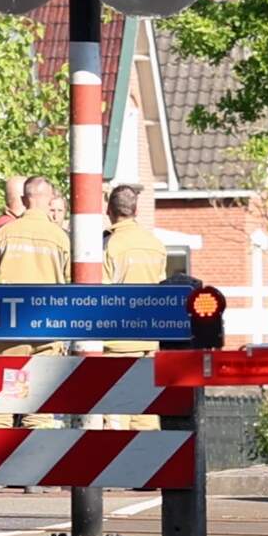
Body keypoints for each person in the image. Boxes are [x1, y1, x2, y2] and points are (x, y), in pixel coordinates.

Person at [0, 176, 69, 481]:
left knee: (1, 403)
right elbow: (72, 287)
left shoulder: (3, 234)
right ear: (48, 198)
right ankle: (34, 475)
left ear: (25, 199)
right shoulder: (61, 238)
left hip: (7, 331)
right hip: (47, 333)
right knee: (38, 405)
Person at [101, 185, 167, 431]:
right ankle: (149, 466)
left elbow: (99, 296)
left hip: (117, 343)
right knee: (146, 415)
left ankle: (112, 469)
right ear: (136, 210)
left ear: (109, 210)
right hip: (149, 342)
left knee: (116, 416)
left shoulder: (108, 246)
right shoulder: (156, 245)